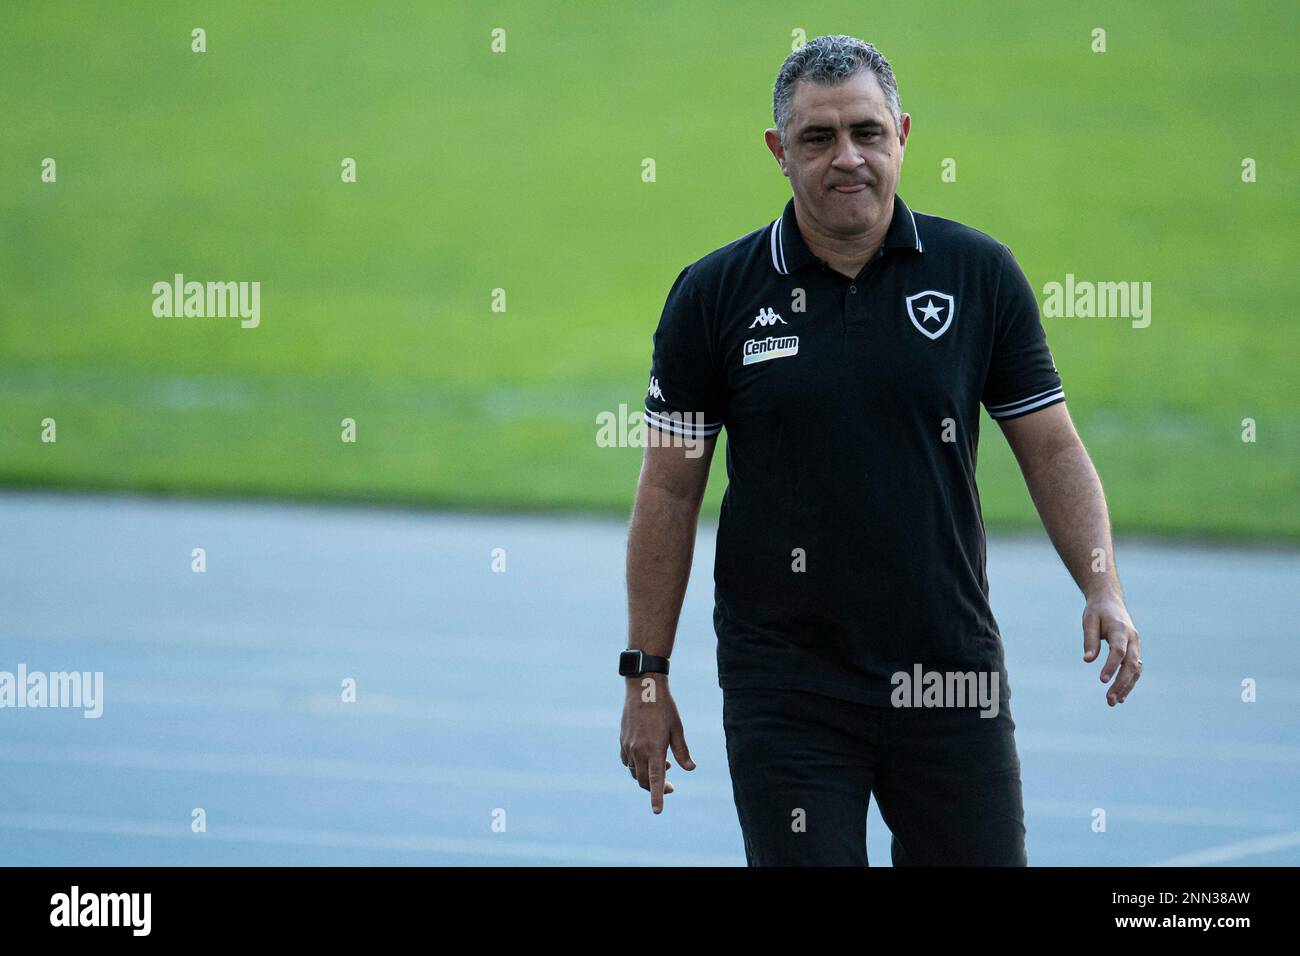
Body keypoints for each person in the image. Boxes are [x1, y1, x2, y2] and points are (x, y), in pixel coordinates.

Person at [619, 34, 1142, 866]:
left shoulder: (979, 275)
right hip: (787, 684)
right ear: (778, 152)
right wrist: (647, 673)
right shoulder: (713, 296)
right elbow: (670, 490)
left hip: (948, 672)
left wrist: (1102, 583)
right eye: (818, 139)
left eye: (867, 132)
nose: (847, 159)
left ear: (903, 133)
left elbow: (1050, 448)